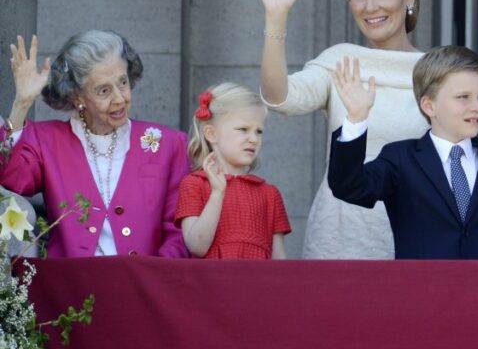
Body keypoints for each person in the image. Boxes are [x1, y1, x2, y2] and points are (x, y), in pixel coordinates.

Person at [259, 0, 429, 260]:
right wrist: (275, 17)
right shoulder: (340, 61)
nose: (370, 7)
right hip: (337, 244)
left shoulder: (435, 71)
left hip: (412, 243)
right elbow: (280, 98)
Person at [0, 32, 189, 257]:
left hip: (146, 277)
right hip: (70, 278)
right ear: (78, 96)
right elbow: (13, 178)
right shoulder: (47, 140)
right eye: (104, 90)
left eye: (123, 82)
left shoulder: (169, 144)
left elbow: (178, 230)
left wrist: (154, 274)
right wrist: (21, 104)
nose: (119, 98)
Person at [327, 46, 478, 259]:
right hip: (421, 281)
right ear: (429, 106)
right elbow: (350, 187)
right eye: (463, 97)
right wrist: (357, 118)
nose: (477, 106)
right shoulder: (400, 159)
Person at [175, 84, 290, 259]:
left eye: (259, 131)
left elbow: (279, 260)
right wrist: (217, 193)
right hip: (213, 277)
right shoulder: (194, 184)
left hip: (258, 277)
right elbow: (197, 247)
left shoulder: (270, 194)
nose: (254, 139)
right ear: (211, 134)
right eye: (243, 129)